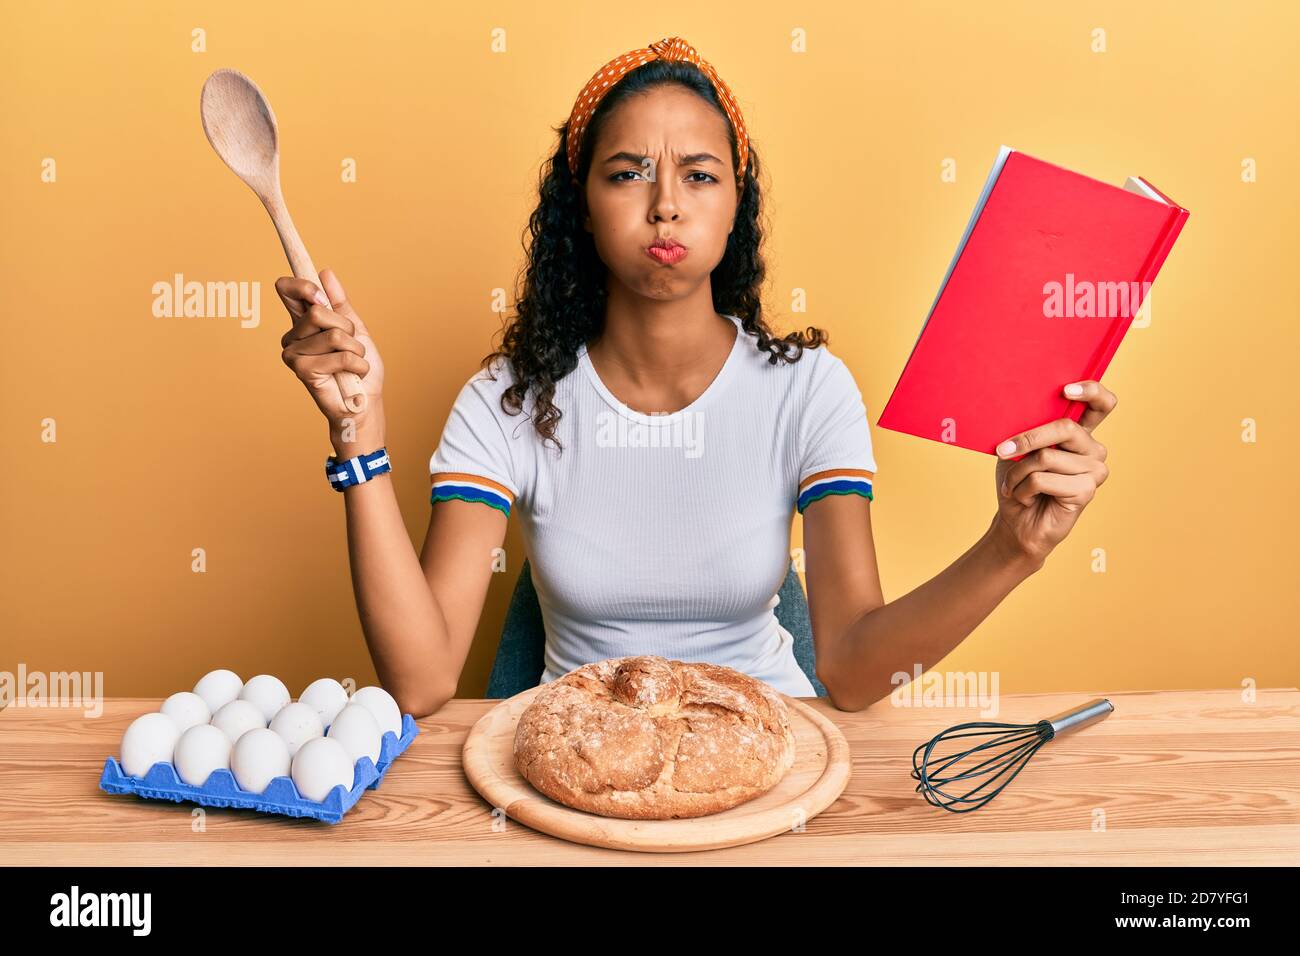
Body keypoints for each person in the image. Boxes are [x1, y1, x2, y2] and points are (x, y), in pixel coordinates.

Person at [273, 37, 1115, 716]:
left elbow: (856, 674)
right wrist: (361, 437)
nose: (665, 203)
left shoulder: (808, 390)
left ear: (735, 204)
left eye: (699, 175)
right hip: (579, 765)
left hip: (774, 752)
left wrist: (1014, 548)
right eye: (627, 172)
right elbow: (420, 684)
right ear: (582, 206)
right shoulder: (507, 401)